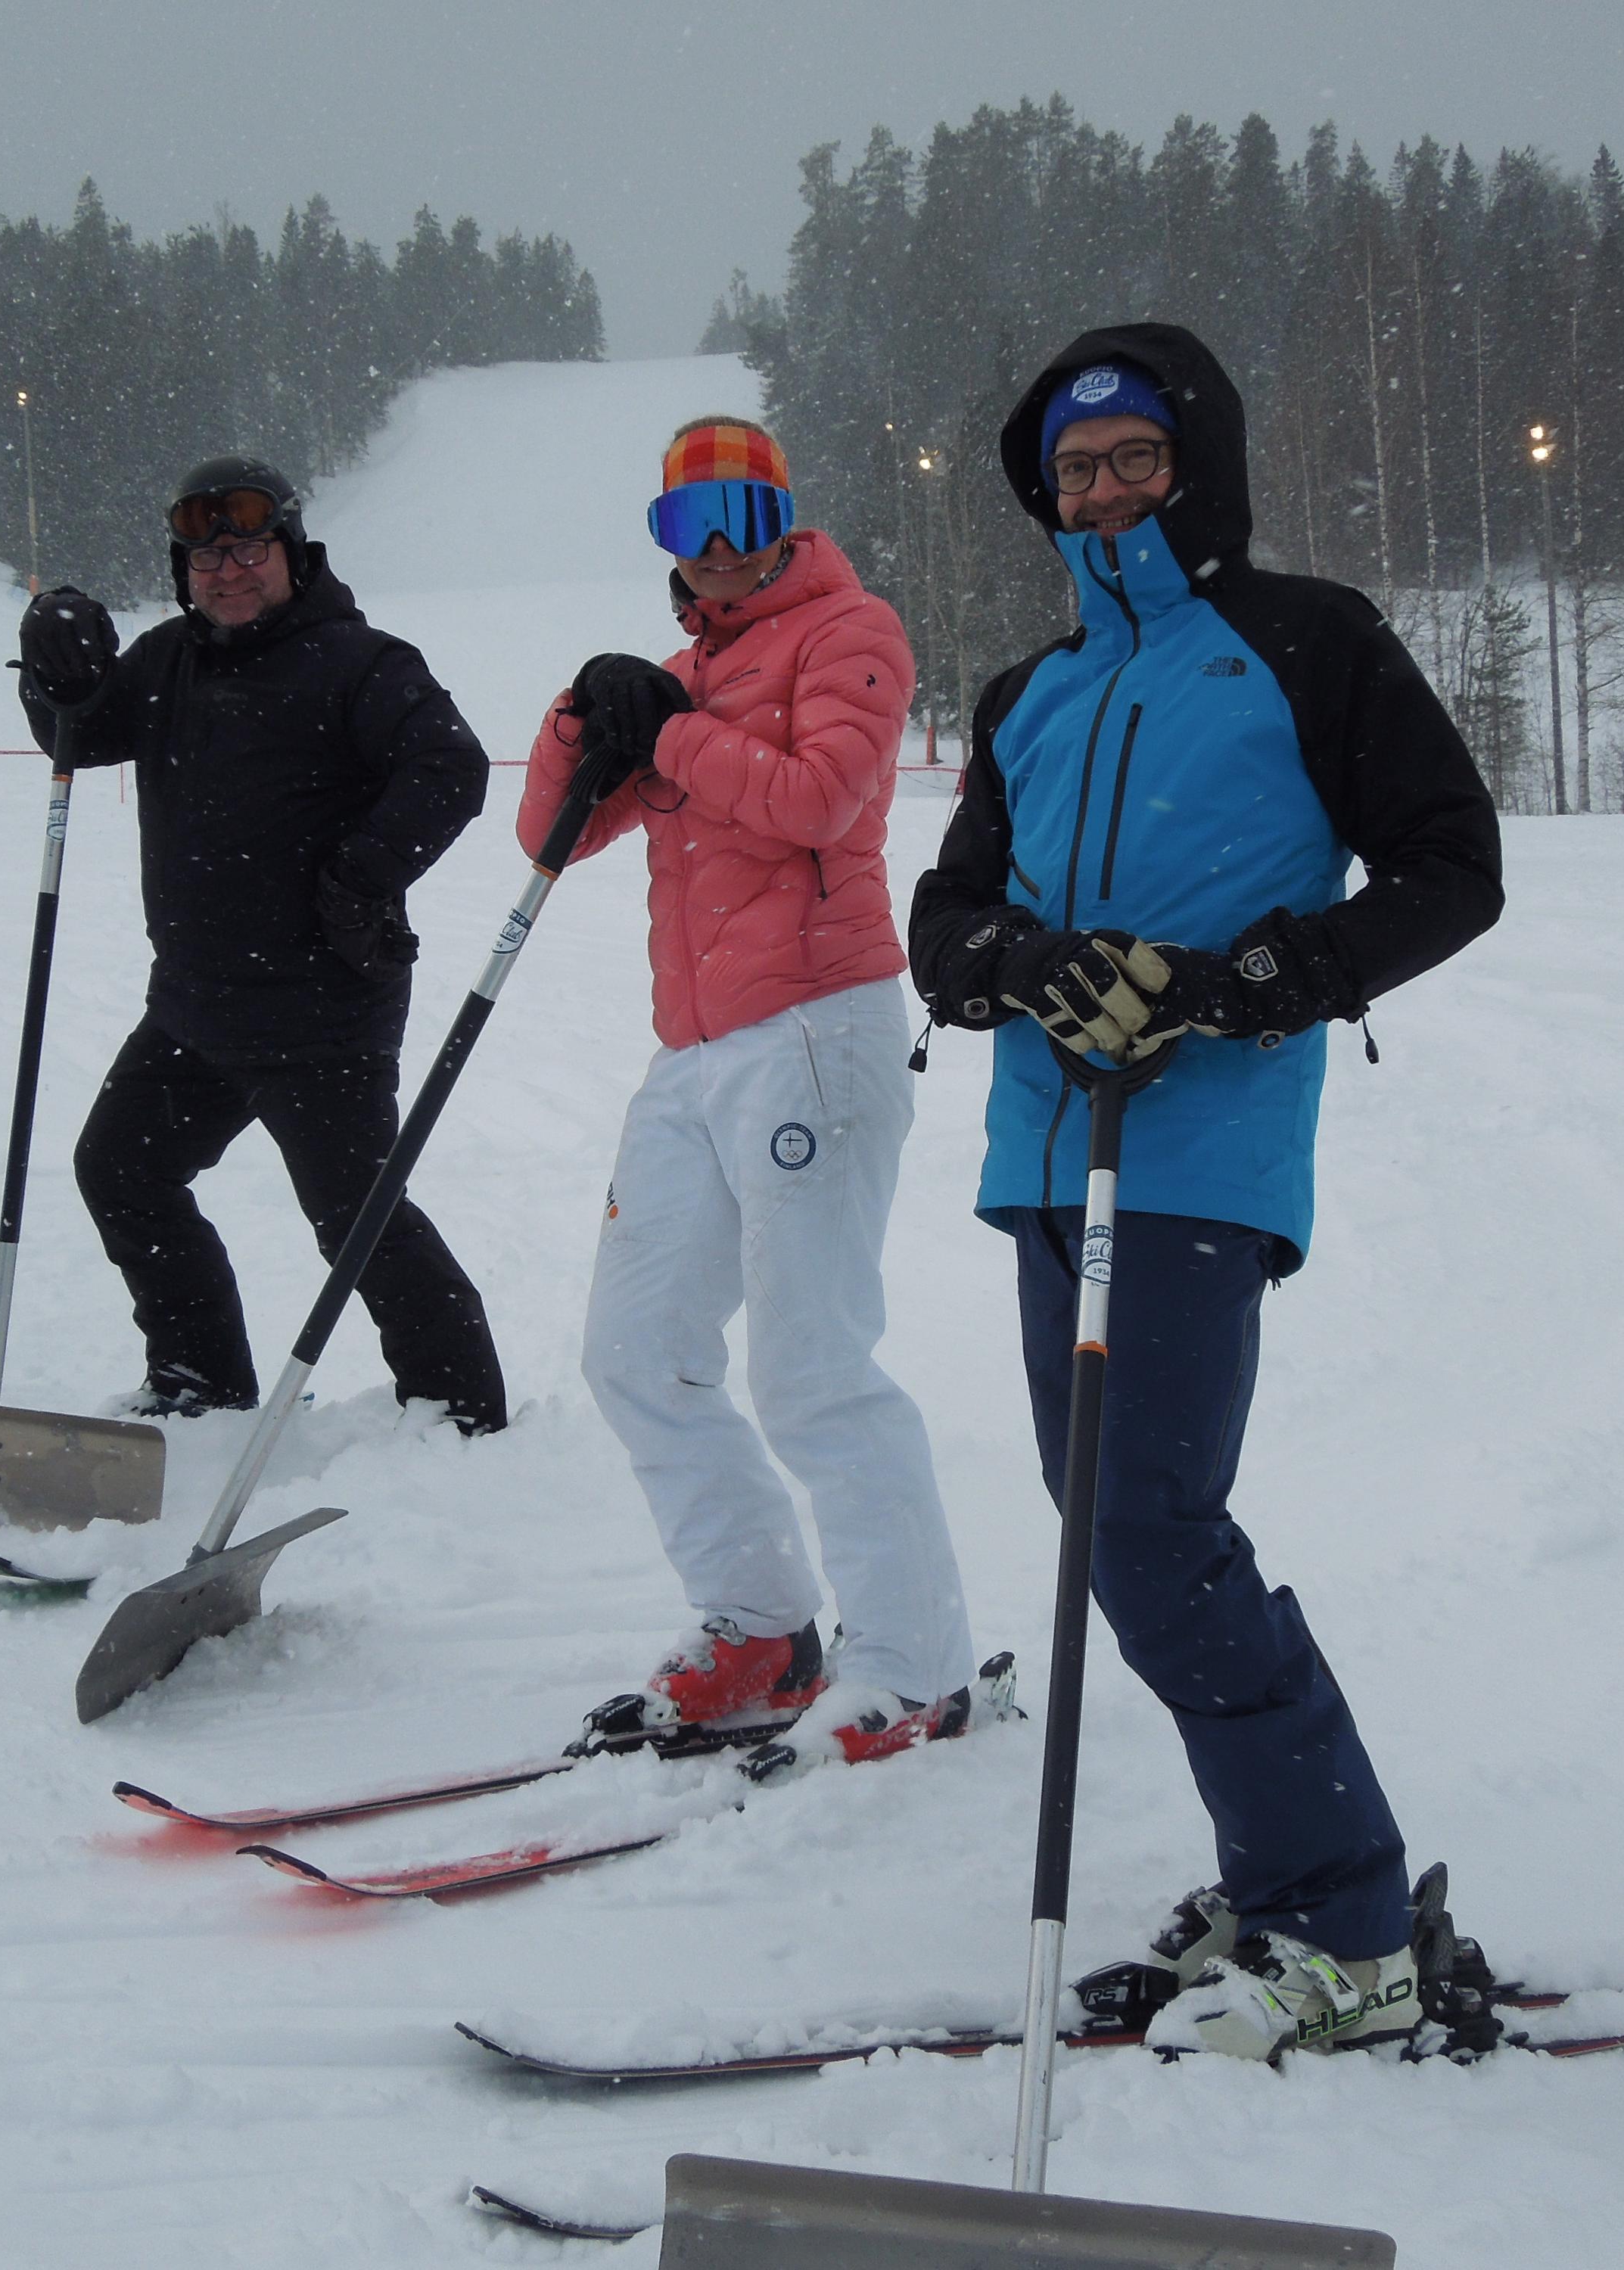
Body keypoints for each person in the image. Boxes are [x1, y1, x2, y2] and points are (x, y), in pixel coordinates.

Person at [908, 326, 1503, 2057]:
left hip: (1194, 1154)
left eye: (1130, 460)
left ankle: (1341, 1921)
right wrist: (1019, 963)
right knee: (1113, 1524)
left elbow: (1450, 865)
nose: (1098, 490)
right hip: (1044, 1153)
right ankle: (1291, 1876)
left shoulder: (1303, 642)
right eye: (1072, 470)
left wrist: (1235, 984)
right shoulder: (1031, 689)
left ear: (1196, 465)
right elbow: (938, 921)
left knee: (1150, 1530)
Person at [520, 416, 976, 1767]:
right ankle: (761, 1632)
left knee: (812, 1366)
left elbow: (822, 800)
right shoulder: (680, 682)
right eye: (685, 527)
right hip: (694, 1054)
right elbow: (554, 832)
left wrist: (673, 739)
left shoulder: (855, 632)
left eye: (741, 517)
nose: (717, 552)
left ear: (785, 516)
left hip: (817, 1033)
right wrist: (579, 718)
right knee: (635, 1346)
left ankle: (915, 1665)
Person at [16, 456, 508, 1436]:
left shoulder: (360, 663)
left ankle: (461, 1405)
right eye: (204, 559)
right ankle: (201, 1376)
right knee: (121, 1169)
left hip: (322, 1014)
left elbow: (450, 767)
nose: (227, 572)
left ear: (290, 550)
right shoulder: (168, 664)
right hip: (196, 1009)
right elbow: (79, 731)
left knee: (355, 1216)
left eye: (246, 548)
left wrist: (361, 875)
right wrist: (53, 669)